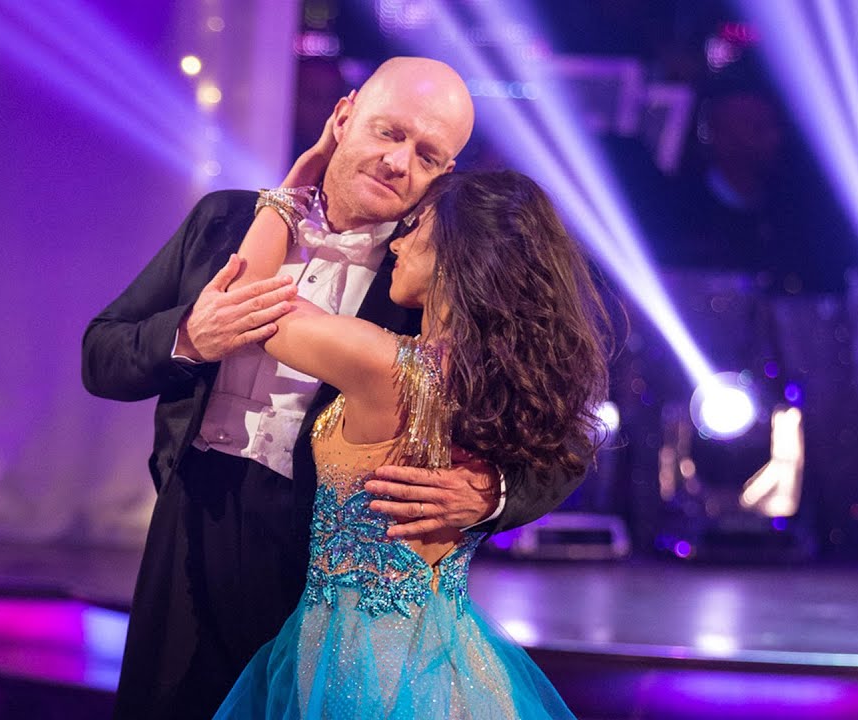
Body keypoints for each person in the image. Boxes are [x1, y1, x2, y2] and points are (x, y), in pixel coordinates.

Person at [82, 57, 586, 720]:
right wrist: (188, 338)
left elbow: (564, 441)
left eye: (427, 154)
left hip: (310, 552)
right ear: (343, 118)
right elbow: (103, 354)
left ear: (445, 175)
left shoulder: (431, 271)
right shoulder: (220, 223)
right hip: (193, 520)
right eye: (388, 132)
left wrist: (491, 494)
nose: (399, 161)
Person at [210, 109, 610, 716]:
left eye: (415, 227)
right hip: (448, 652)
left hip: (357, 660)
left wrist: (294, 186)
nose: (396, 241)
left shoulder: (383, 364)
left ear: (454, 249)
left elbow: (244, 301)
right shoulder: (503, 378)